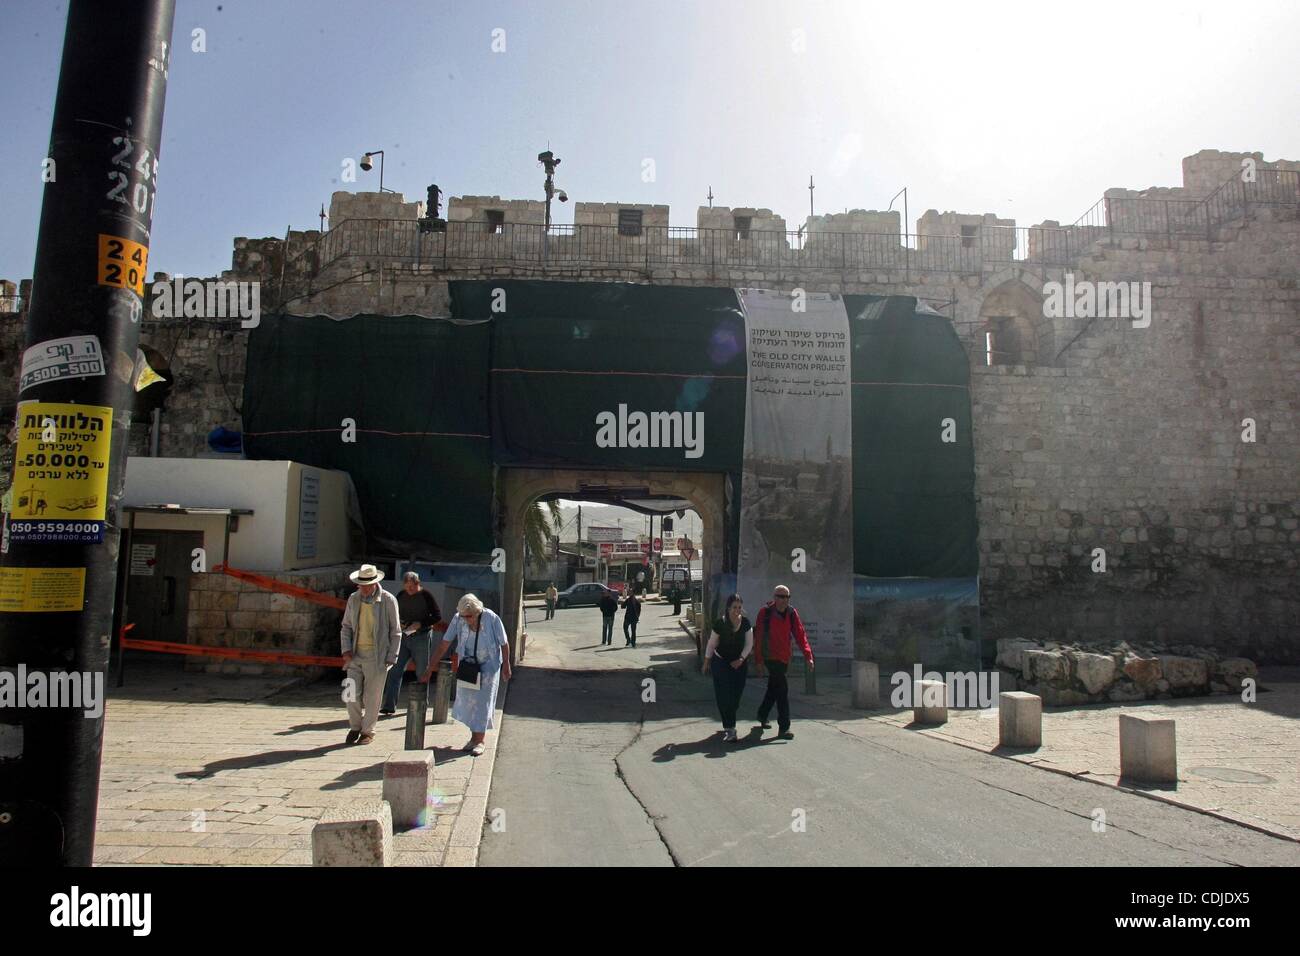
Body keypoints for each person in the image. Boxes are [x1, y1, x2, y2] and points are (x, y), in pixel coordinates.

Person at [422, 594, 511, 756]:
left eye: (469, 616)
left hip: (488, 667)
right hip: (468, 666)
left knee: (483, 702)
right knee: (470, 702)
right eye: (464, 616)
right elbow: (444, 644)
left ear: (477, 612)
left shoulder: (491, 618)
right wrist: (430, 668)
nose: (466, 619)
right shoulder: (458, 619)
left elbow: (504, 643)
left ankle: (480, 740)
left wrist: (506, 664)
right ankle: (473, 738)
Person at [339, 563, 402, 745]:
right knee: (350, 694)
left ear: (375, 583)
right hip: (355, 655)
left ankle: (368, 731)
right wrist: (346, 650)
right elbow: (346, 627)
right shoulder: (353, 599)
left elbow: (396, 631)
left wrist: (392, 656)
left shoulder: (388, 600)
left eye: (367, 585)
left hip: (377, 656)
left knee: (372, 696)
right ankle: (355, 727)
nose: (364, 589)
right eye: (361, 585)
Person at [753, 584, 814, 740]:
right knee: (782, 690)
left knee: (773, 688)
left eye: (787, 597)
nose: (784, 600)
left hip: (784, 658)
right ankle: (784, 728)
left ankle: (762, 714)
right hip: (770, 657)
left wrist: (808, 655)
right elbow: (758, 637)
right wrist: (758, 661)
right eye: (781, 597)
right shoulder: (765, 613)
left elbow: (800, 635)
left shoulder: (792, 613)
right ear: (774, 598)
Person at [380, 571, 442, 716]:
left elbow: (437, 616)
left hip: (421, 636)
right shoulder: (401, 595)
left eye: (412, 587)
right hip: (403, 636)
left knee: (421, 672)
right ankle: (389, 705)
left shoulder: (426, 596)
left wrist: (420, 624)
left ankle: (421, 704)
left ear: (417, 583)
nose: (410, 590)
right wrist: (399, 623)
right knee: (395, 670)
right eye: (407, 587)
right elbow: (394, 613)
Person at [702, 593, 753, 742]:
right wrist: (706, 662)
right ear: (728, 608)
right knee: (724, 696)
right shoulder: (720, 623)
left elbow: (749, 644)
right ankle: (730, 728)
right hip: (721, 662)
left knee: (735, 697)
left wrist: (741, 659)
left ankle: (729, 719)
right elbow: (711, 644)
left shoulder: (745, 623)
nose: (737, 610)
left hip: (739, 663)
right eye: (734, 607)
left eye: (739, 607)